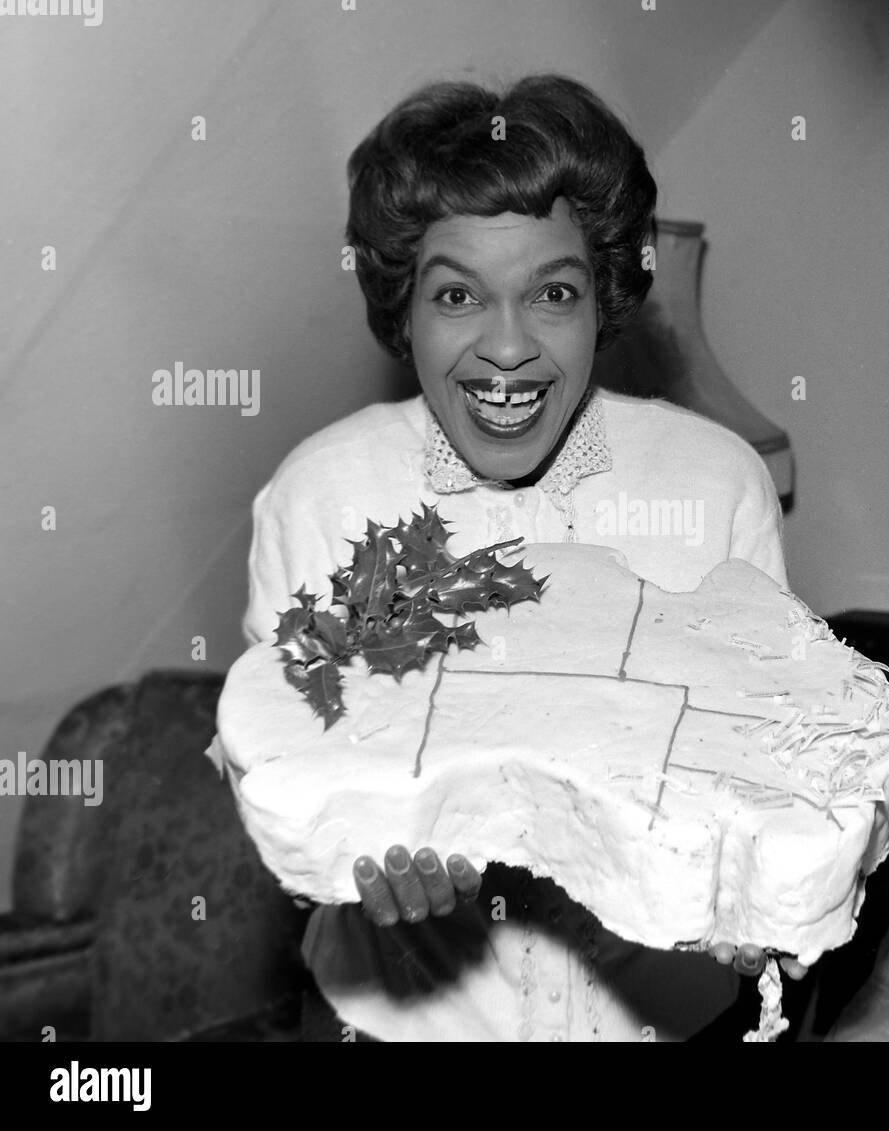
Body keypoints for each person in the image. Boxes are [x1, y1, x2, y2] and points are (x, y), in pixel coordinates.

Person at [242, 74, 801, 1042]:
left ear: (605, 300)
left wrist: (757, 885)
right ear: (401, 310)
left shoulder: (714, 483)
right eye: (457, 294)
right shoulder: (318, 496)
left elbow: (772, 755)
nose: (508, 349)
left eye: (552, 293)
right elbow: (278, 765)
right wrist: (350, 859)